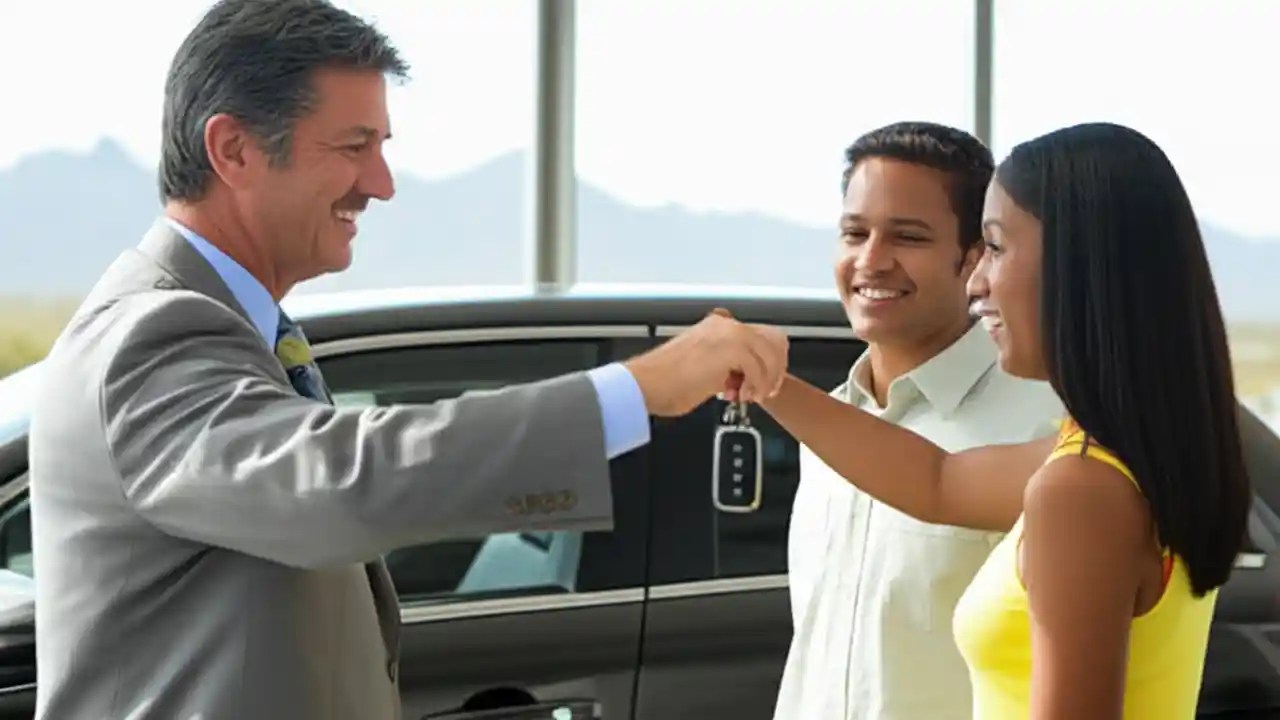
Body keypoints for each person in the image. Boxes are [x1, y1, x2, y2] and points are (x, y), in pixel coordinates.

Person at [25, 1, 787, 718]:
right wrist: (633, 391)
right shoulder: (154, 336)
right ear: (233, 149)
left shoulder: (235, 331)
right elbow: (346, 483)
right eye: (355, 147)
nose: (382, 185)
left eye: (382, 149)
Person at [754, 122, 1252, 719]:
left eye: (995, 247)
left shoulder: (1082, 490)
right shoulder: (1112, 461)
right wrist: (762, 379)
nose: (978, 280)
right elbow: (935, 480)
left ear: (1076, 266)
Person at [774, 121, 1063, 720]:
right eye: (855, 233)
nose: (871, 261)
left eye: (907, 237)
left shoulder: (1047, 429)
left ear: (975, 256)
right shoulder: (827, 429)